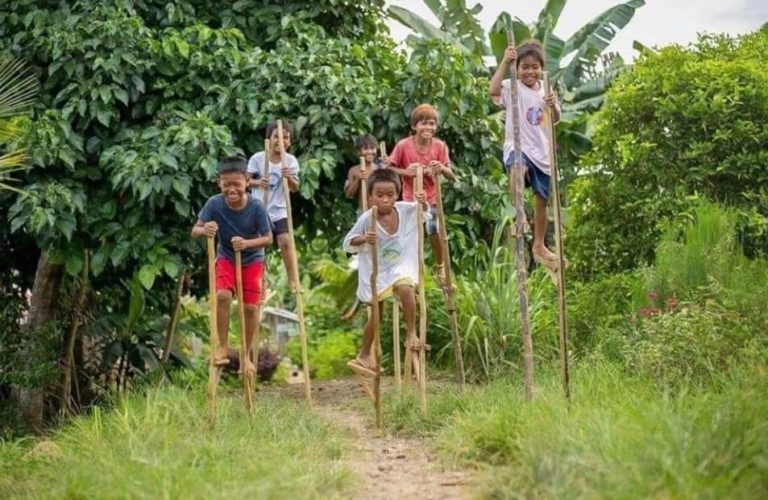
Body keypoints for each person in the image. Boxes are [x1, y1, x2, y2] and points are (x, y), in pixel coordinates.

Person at [191, 156, 272, 374]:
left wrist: (247, 244)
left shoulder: (256, 207)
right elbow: (195, 230)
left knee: (250, 308)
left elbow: (268, 238)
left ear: (247, 181)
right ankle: (223, 346)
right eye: (226, 185)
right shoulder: (214, 204)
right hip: (226, 257)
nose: (232, 189)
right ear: (219, 183)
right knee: (223, 296)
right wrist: (205, 228)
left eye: (237, 184)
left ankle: (245, 356)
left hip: (253, 260)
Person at [343, 169, 426, 375]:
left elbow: (425, 213)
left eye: (390, 195)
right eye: (379, 195)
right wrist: (364, 239)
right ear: (370, 196)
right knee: (377, 312)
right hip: (377, 272)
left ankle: (411, 333)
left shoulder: (406, 210)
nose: (384, 200)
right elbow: (348, 243)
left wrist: (423, 202)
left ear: (397, 194)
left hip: (402, 266)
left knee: (406, 288)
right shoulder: (366, 218)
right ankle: (364, 353)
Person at [489, 40, 562, 268]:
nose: (530, 71)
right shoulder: (512, 87)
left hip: (542, 151)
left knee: (542, 200)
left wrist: (554, 106)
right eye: (525, 67)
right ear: (517, 68)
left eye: (534, 67)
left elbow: (556, 119)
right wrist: (504, 61)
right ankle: (519, 213)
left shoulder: (546, 88)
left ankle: (539, 244)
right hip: (518, 145)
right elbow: (492, 90)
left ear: (541, 68)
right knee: (518, 169)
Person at [388, 104, 454, 284]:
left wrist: (441, 168)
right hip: (410, 199)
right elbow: (389, 168)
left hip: (432, 198)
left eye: (432, 124)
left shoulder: (440, 147)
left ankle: (440, 266)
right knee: (409, 238)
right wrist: (406, 172)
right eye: (424, 124)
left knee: (434, 230)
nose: (428, 128)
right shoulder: (403, 146)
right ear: (414, 126)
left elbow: (451, 174)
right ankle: (409, 272)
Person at [247, 121, 301, 290]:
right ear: (268, 139)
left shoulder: (290, 161)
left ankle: (293, 279)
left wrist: (289, 178)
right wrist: (258, 182)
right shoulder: (258, 158)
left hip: (279, 210)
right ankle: (259, 281)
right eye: (277, 136)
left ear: (290, 142)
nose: (281, 140)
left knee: (285, 240)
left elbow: (295, 188)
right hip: (259, 208)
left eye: (285, 137)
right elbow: (245, 181)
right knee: (258, 246)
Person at [344, 133, 387, 208]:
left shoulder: (381, 168)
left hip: (380, 211)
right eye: (366, 149)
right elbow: (348, 195)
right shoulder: (354, 170)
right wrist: (358, 179)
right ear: (358, 151)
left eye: (372, 148)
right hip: (363, 212)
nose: (370, 152)